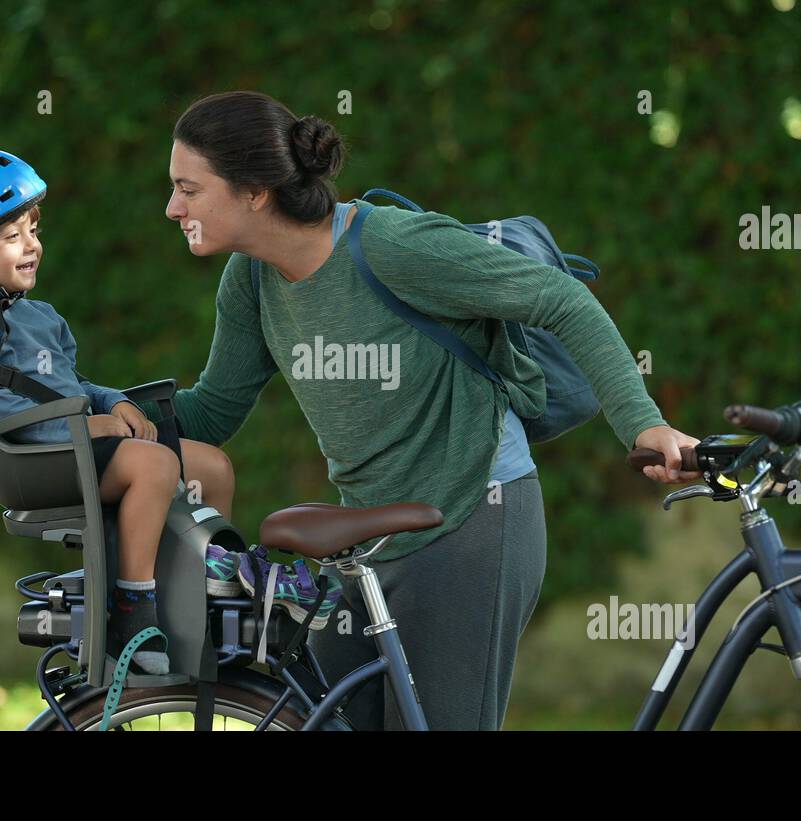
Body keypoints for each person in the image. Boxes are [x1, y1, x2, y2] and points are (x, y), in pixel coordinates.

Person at [151, 91, 701, 729]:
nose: (172, 207)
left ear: (254, 191)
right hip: (365, 541)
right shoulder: (250, 280)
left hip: (472, 517)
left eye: (188, 188)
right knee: (325, 718)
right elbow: (213, 411)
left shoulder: (390, 246)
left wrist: (645, 423)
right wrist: (106, 412)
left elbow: (561, 299)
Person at [0, 148, 236, 674]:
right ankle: (133, 607)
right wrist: (88, 423)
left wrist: (112, 400)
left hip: (77, 445)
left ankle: (212, 589)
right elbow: (1, 408)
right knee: (155, 464)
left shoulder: (39, 316)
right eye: (12, 237)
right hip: (36, 461)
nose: (32, 246)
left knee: (212, 466)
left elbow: (72, 385)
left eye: (33, 230)